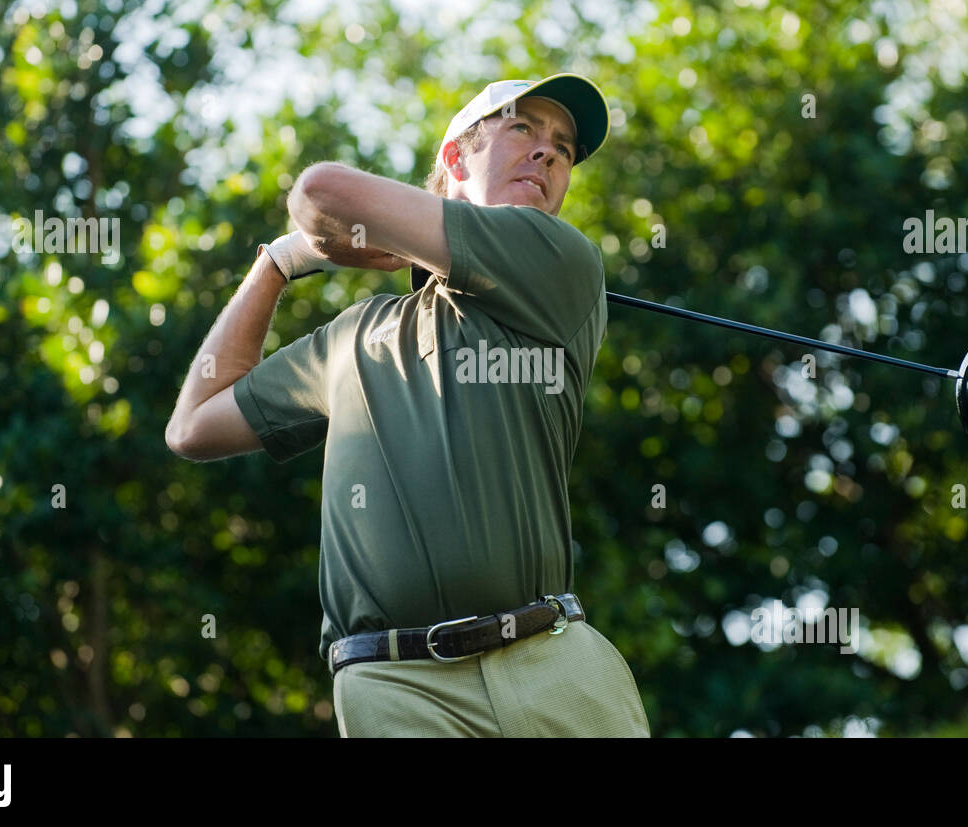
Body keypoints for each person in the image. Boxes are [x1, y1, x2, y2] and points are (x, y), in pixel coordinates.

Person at [165, 73, 649, 737]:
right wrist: (277, 263)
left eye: (562, 148)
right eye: (521, 128)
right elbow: (193, 424)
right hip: (396, 689)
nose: (547, 153)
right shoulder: (351, 337)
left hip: (554, 667)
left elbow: (321, 193)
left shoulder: (557, 260)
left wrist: (371, 237)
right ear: (454, 159)